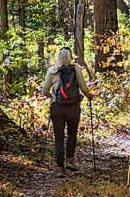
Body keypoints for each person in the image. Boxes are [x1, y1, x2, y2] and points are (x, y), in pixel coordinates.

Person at [42, 47, 93, 176]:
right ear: (70, 56)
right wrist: (89, 96)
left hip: (57, 107)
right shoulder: (76, 69)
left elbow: (44, 91)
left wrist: (52, 97)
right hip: (73, 107)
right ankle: (70, 160)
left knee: (59, 136)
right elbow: (83, 88)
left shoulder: (52, 71)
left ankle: (59, 167)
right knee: (72, 134)